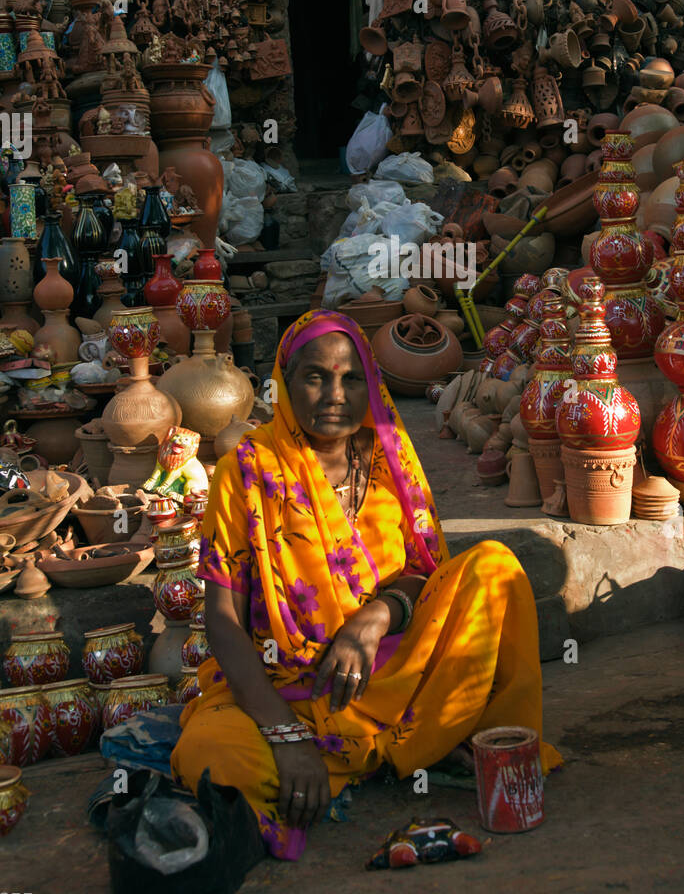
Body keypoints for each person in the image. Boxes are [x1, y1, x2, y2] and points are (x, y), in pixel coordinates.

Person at [171, 309, 562, 859]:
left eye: (351, 378)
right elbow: (223, 619)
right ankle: (403, 748)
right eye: (315, 376)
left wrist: (376, 618)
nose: (334, 394)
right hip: (297, 691)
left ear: (370, 384)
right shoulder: (249, 468)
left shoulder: (386, 455)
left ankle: (445, 735)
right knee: (211, 755)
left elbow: (422, 570)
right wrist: (285, 737)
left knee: (493, 567)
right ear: (285, 380)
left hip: (398, 672)